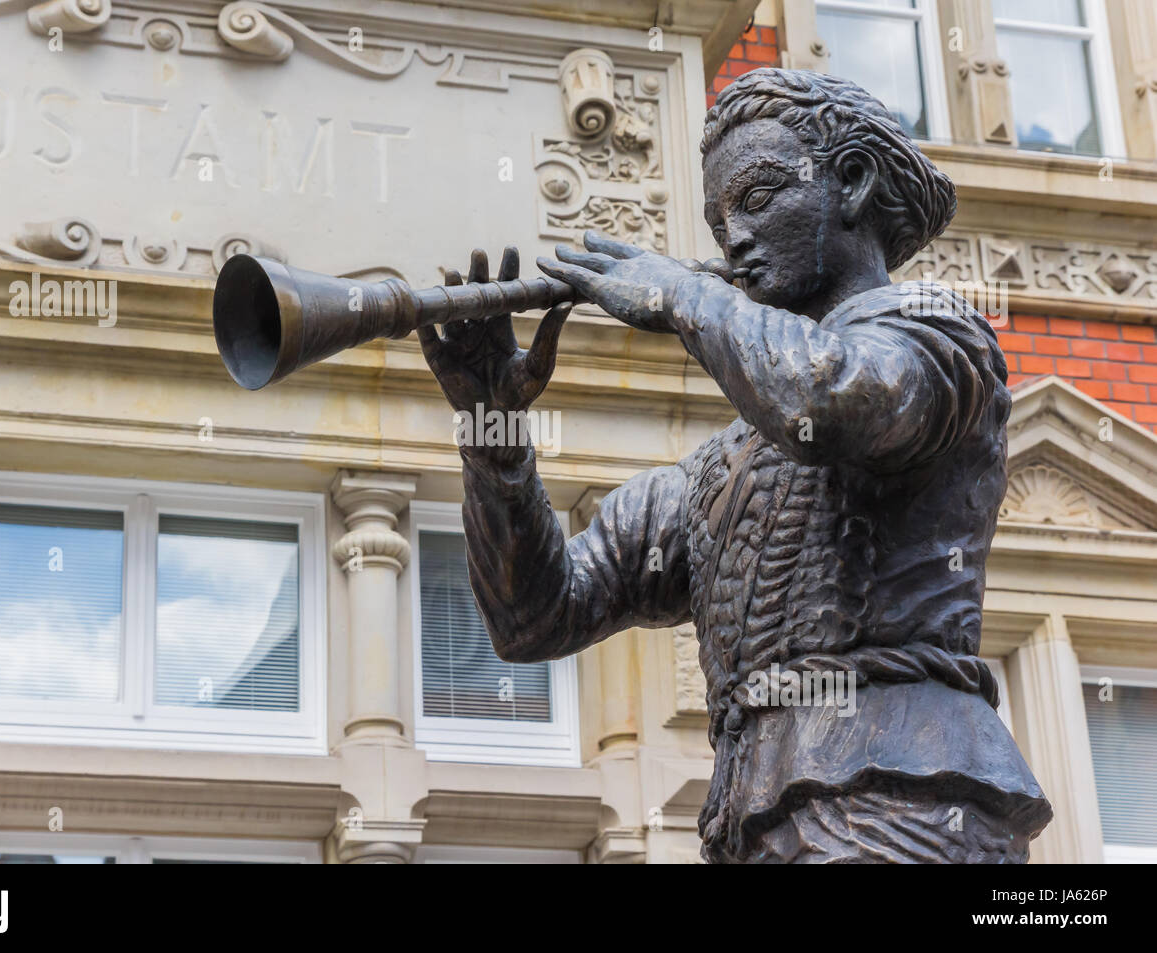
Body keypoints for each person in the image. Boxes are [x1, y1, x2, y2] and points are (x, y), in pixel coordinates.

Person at [418, 68, 1051, 863]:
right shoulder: (715, 474)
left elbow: (830, 400)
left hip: (904, 806)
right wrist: (495, 429)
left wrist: (683, 297)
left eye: (756, 199)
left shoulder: (936, 335)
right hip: (754, 828)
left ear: (851, 182)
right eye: (718, 221)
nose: (734, 239)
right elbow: (534, 617)